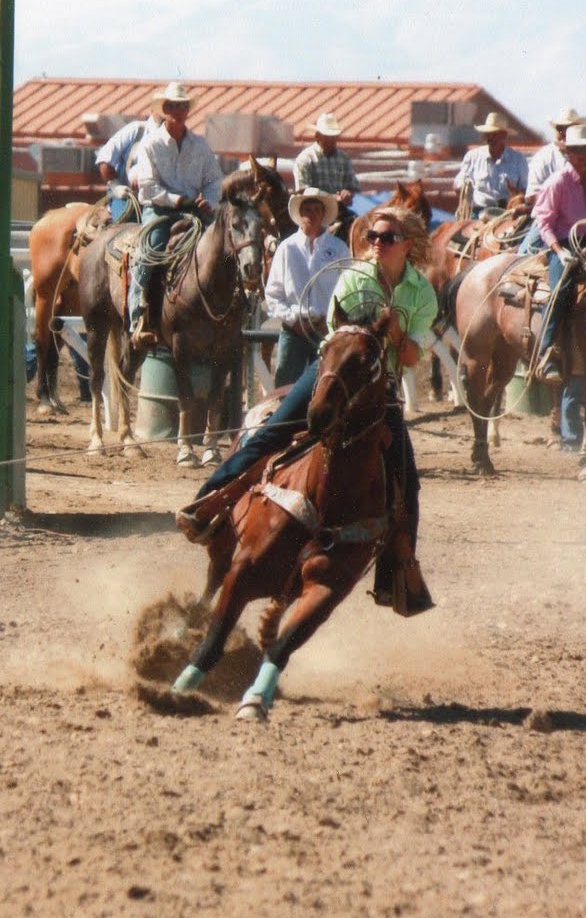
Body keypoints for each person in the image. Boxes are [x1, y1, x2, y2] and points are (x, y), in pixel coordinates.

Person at [178, 207, 438, 616]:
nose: (377, 244)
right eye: (373, 236)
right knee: (274, 431)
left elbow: (408, 357)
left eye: (387, 238)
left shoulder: (422, 292)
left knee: (406, 482)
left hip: (379, 389)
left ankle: (397, 575)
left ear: (407, 244)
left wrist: (395, 332)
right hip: (335, 372)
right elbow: (338, 336)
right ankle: (208, 500)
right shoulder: (356, 277)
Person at [124, 81, 222, 349]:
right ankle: (138, 317)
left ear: (188, 111)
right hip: (159, 210)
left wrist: (209, 200)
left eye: (183, 107)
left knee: (221, 247)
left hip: (194, 211)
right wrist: (176, 199)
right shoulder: (150, 144)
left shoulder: (200, 145)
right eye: (173, 107)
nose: (178, 111)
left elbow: (214, 180)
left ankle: (228, 308)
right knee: (150, 251)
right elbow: (147, 186)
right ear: (164, 110)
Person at [526, 123, 586, 383]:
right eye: (577, 150)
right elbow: (544, 223)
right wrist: (558, 251)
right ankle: (547, 352)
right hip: (565, 244)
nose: (583, 155)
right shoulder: (557, 183)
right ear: (568, 153)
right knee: (560, 290)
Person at [264, 188, 350, 385]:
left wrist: (334, 321)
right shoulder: (286, 248)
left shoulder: (338, 248)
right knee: (286, 386)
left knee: (327, 386)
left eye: (316, 210)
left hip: (327, 329)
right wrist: (293, 321)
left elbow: (347, 289)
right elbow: (273, 294)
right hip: (294, 328)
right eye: (307, 210)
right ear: (300, 214)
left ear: (323, 214)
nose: (312, 214)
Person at [292, 112, 357, 232]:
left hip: (340, 212)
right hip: (314, 213)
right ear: (317, 136)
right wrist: (331, 198)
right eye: (327, 137)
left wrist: (347, 193)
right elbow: (303, 191)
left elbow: (351, 185)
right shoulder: (305, 159)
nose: (331, 141)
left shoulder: (343, 158)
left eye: (333, 137)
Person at [453, 112, 528, 217]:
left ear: (504, 135)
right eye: (488, 134)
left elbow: (526, 190)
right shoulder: (472, 157)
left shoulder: (518, 159)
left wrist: (516, 193)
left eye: (494, 134)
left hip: (507, 213)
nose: (490, 138)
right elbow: (458, 185)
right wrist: (462, 192)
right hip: (477, 213)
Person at [525, 108, 586, 205]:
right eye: (560, 129)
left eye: (569, 129)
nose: (564, 133)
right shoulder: (542, 158)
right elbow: (531, 196)